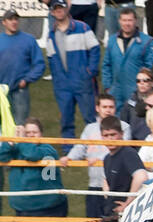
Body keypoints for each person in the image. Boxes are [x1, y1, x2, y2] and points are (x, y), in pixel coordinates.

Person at [0, 118, 66, 222]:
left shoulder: (48, 150)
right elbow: (2, 156)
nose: (30, 135)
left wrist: (21, 140)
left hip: (49, 210)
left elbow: (33, 154)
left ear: (41, 134)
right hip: (23, 211)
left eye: (34, 132)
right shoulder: (18, 149)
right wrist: (11, 142)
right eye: (27, 132)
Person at [45, 0, 100, 144]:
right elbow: (51, 59)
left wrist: (90, 71)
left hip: (83, 81)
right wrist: (57, 79)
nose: (59, 11)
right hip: (62, 85)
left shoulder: (82, 27)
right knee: (66, 120)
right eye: (55, 9)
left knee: (91, 118)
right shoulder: (51, 34)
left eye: (61, 8)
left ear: (67, 8)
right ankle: (68, 149)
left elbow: (95, 49)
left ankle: (96, 147)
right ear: (51, 12)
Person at [61, 93, 117, 222]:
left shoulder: (123, 127)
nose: (108, 110)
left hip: (116, 186)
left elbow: (121, 151)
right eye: (104, 107)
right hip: (94, 185)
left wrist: (98, 160)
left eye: (111, 107)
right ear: (97, 108)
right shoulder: (90, 129)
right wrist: (69, 157)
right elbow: (80, 147)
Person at [102, 8, 153, 113]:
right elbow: (106, 65)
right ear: (119, 21)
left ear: (135, 21)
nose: (127, 23)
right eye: (124, 20)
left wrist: (143, 88)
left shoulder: (148, 42)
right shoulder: (112, 40)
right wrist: (108, 87)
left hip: (136, 91)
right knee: (116, 124)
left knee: (135, 121)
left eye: (130, 20)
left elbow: (150, 68)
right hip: (115, 91)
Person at [99, 114, 149, 222]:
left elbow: (141, 177)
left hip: (126, 216)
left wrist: (129, 203)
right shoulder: (107, 158)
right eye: (106, 135)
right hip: (111, 213)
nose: (110, 139)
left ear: (121, 134)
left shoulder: (128, 153)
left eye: (113, 134)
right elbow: (105, 182)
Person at [0, 9, 44, 125]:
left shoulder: (28, 40)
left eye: (16, 19)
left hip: (20, 89)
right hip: (1, 90)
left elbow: (39, 64)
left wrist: (26, 80)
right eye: (10, 19)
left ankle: (20, 143)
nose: (14, 22)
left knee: (20, 124)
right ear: (4, 22)